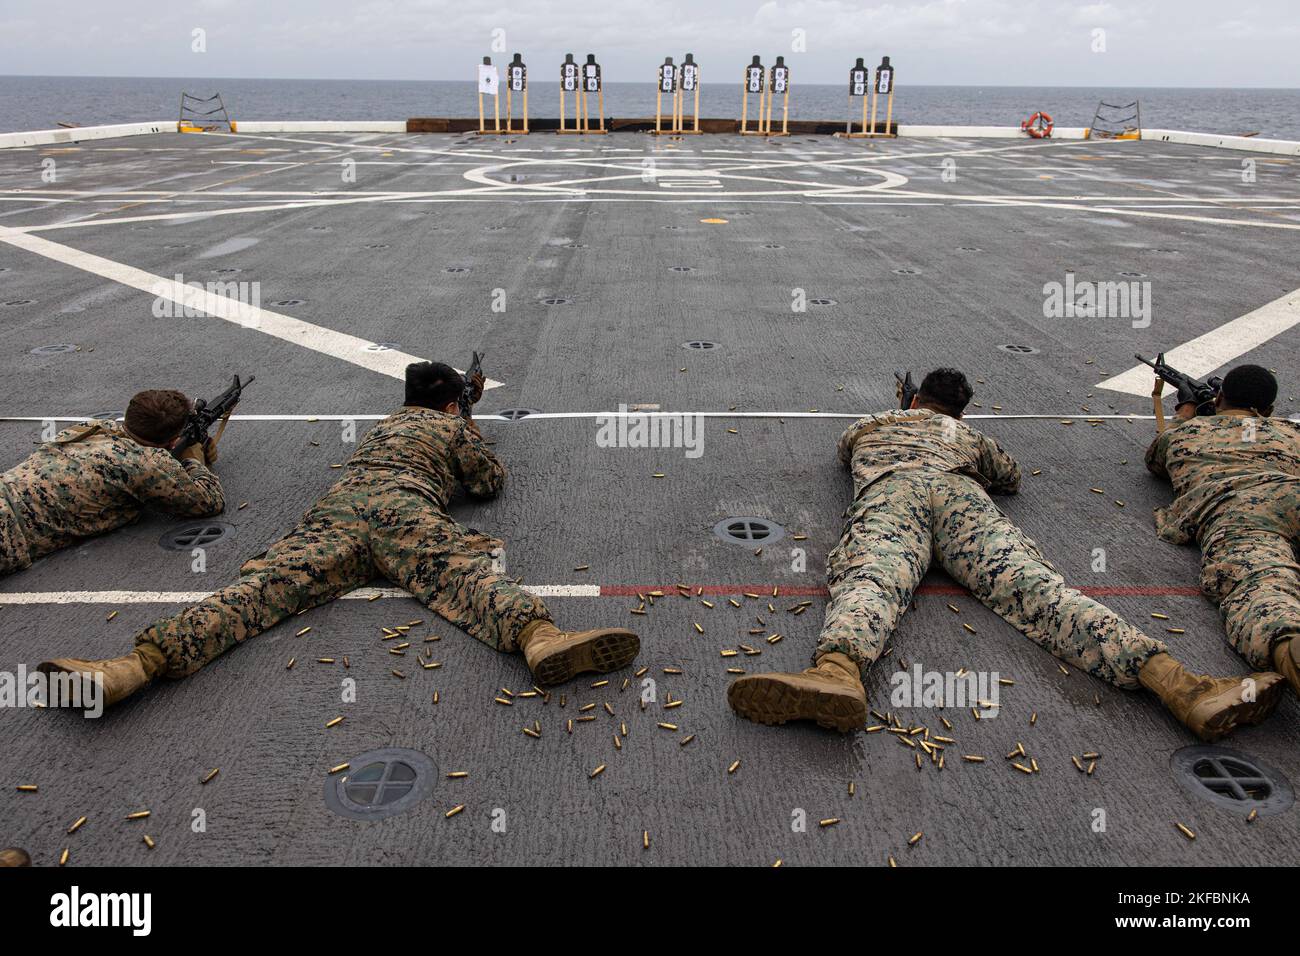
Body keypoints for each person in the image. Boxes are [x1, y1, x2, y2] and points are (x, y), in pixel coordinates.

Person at [728, 368, 1284, 740]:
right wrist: (954, 433)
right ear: (962, 411)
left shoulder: (875, 424)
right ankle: (1179, 684)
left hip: (894, 491)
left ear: (914, 398)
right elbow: (1010, 476)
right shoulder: (968, 438)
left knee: (871, 580)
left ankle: (839, 671)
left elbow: (846, 447)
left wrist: (903, 414)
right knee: (1043, 592)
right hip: (962, 498)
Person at [39, 362, 639, 707]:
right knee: (461, 573)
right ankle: (539, 638)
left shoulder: (384, 426)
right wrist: (469, 426)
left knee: (259, 591)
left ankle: (132, 667)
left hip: (337, 511)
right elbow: (488, 485)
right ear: (452, 404)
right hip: (400, 509)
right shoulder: (450, 431)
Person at [1145, 363, 1300, 695]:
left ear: (1219, 398)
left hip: (1242, 510)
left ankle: (1288, 646)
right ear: (1269, 409)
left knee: (1260, 585)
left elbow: (1157, 458)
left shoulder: (1186, 434)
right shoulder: (1289, 431)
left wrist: (1187, 411)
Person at [0, 390, 224, 576]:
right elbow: (209, 501)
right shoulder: (146, 463)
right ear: (173, 441)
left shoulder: (91, 429)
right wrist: (193, 459)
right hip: (8, 531)